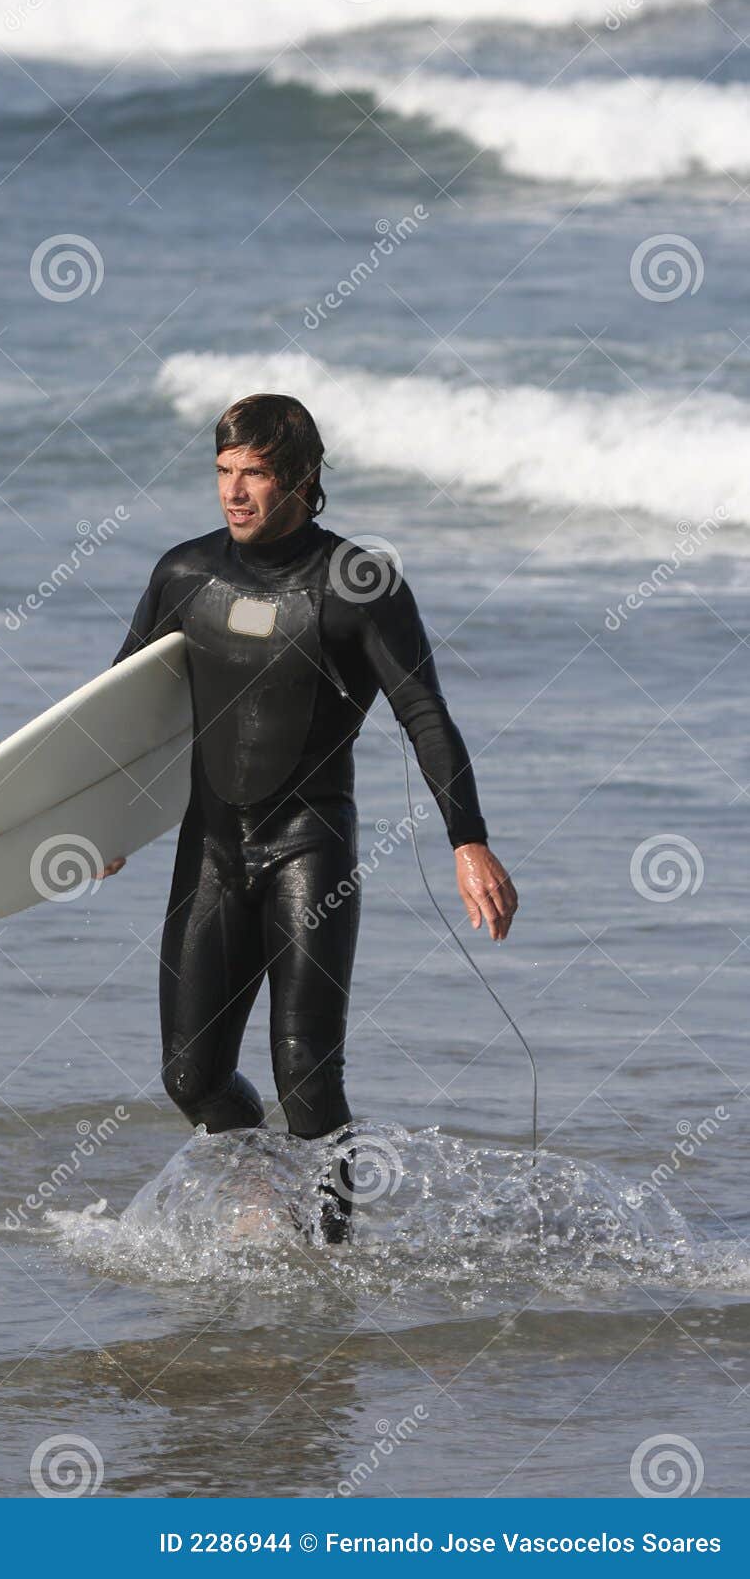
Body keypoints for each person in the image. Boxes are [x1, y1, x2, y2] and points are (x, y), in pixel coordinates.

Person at [102, 394, 517, 1241]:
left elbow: (423, 714)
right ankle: (262, 1181)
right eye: (223, 472)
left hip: (309, 849)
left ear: (301, 478)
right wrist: (102, 818)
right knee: (190, 1077)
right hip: (211, 847)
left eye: (253, 473)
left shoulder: (355, 582)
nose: (234, 491)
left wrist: (467, 840)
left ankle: (327, 1258)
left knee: (307, 1078)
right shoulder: (184, 574)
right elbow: (122, 707)